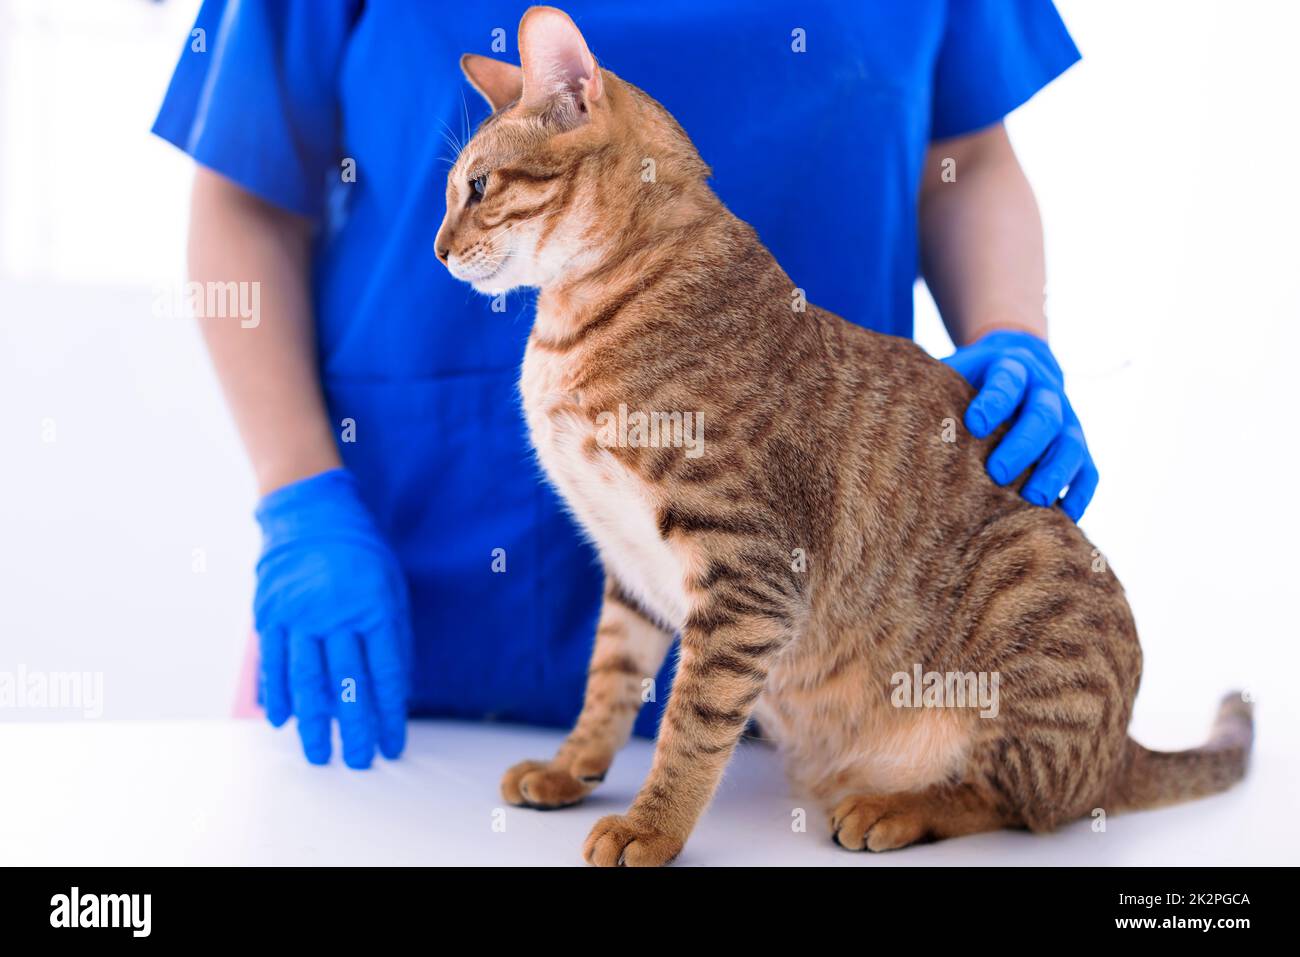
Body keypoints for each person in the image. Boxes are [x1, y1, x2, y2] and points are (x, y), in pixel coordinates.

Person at [153, 0, 1096, 769]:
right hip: (398, 631)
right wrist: (299, 492)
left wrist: (1013, 334)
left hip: (823, 670)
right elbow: (243, 193)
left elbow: (965, 160)